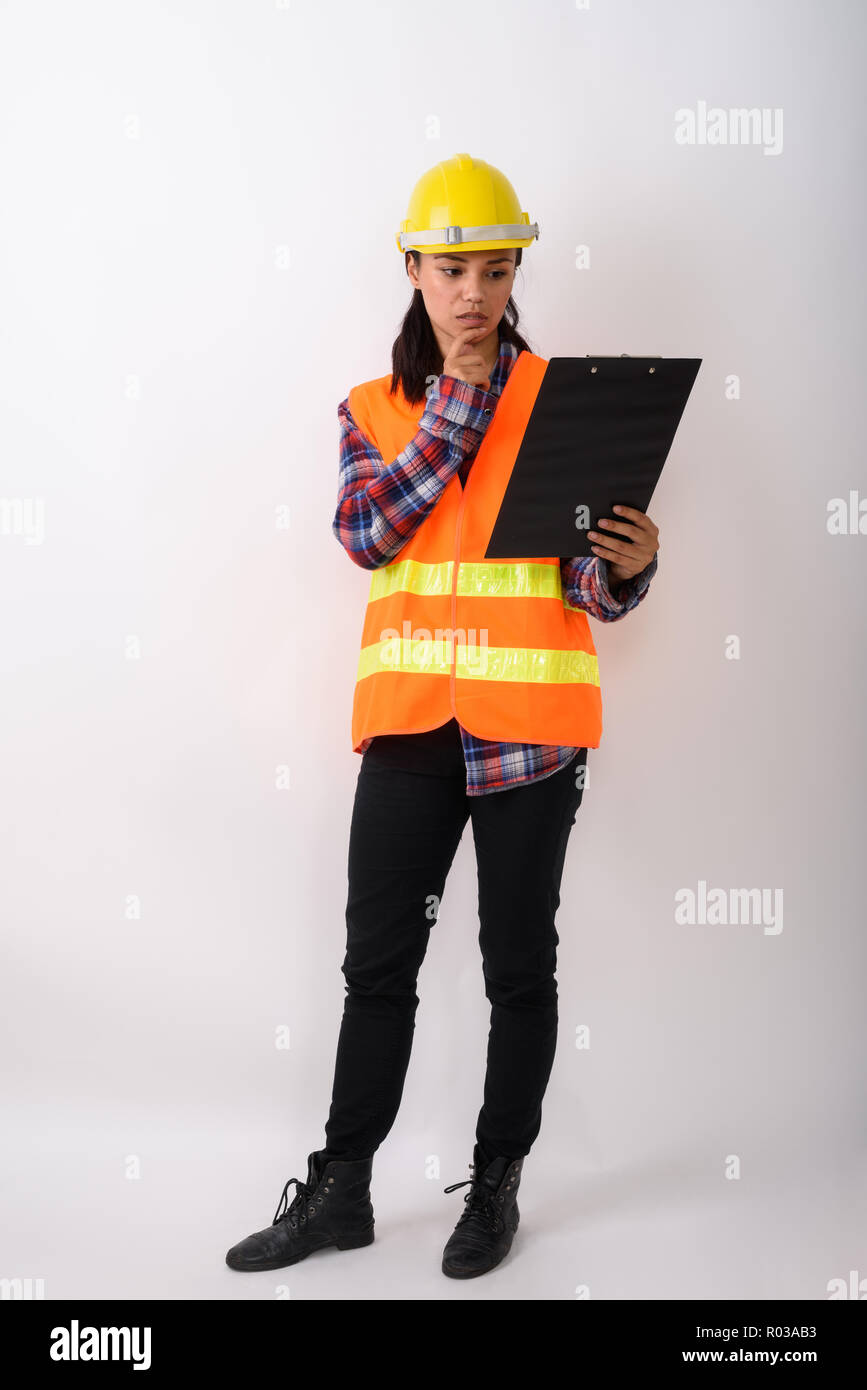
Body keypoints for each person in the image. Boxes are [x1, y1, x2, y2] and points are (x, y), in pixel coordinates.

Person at [226, 153, 660, 1281]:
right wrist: (462, 399)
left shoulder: (567, 403)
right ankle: (341, 1192)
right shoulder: (374, 411)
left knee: (520, 968)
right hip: (414, 734)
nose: (473, 291)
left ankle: (496, 1186)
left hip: (530, 737)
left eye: (495, 267)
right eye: (451, 266)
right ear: (413, 269)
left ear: (518, 270)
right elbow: (368, 532)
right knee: (378, 969)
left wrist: (629, 568)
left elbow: (581, 586)